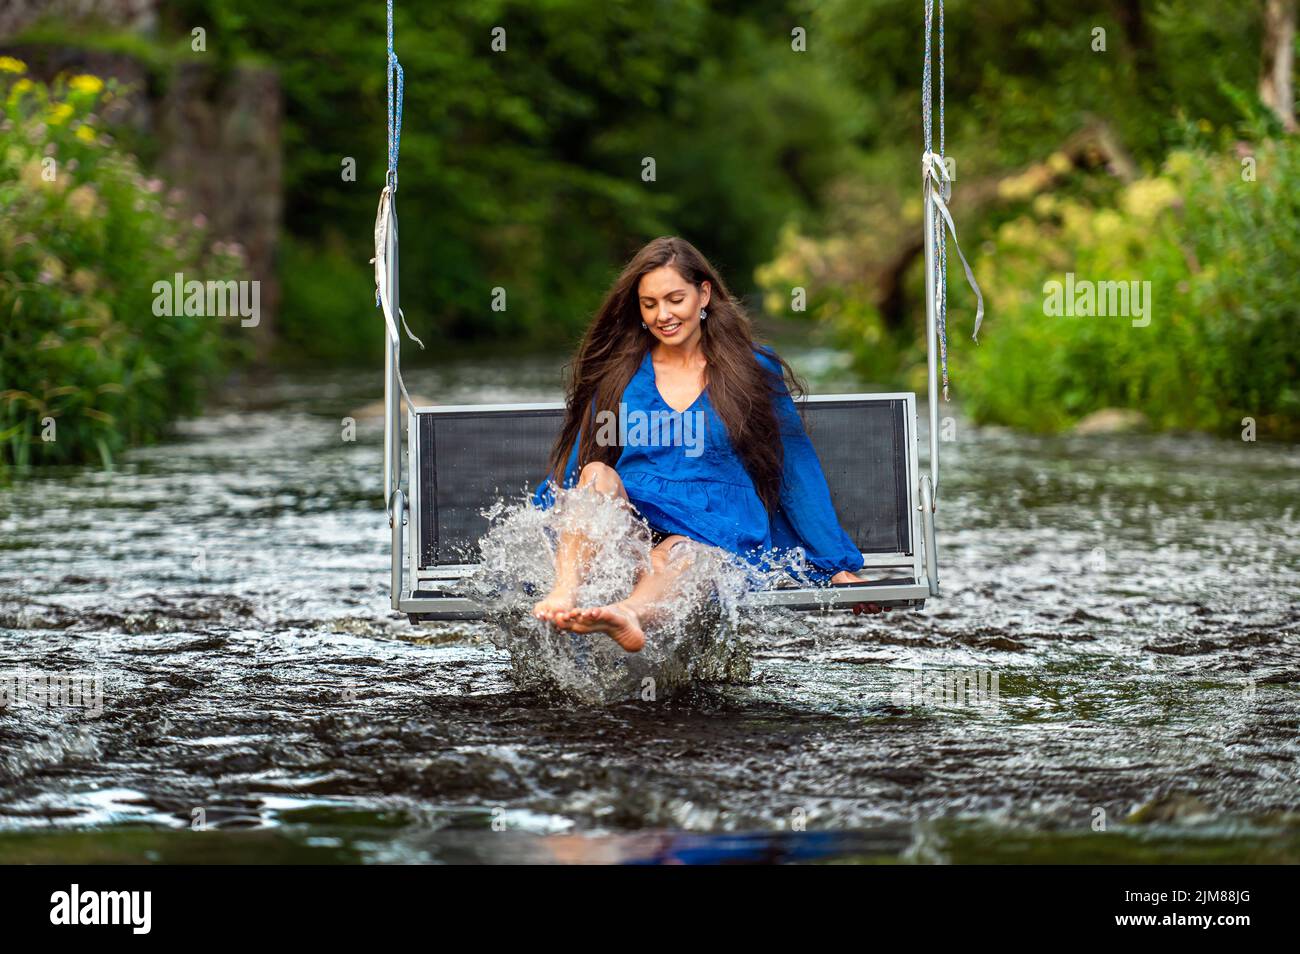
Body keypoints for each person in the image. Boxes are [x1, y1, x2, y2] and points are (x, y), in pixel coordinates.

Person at [530, 236, 864, 652]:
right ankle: (564, 593)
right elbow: (582, 461)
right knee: (598, 475)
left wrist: (835, 564)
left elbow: (795, 468)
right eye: (649, 304)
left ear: (703, 293)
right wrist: (549, 533)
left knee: (681, 553)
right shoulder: (621, 372)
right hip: (635, 520)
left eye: (674, 299)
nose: (662, 315)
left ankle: (629, 614)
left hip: (713, 525)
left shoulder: (751, 369)